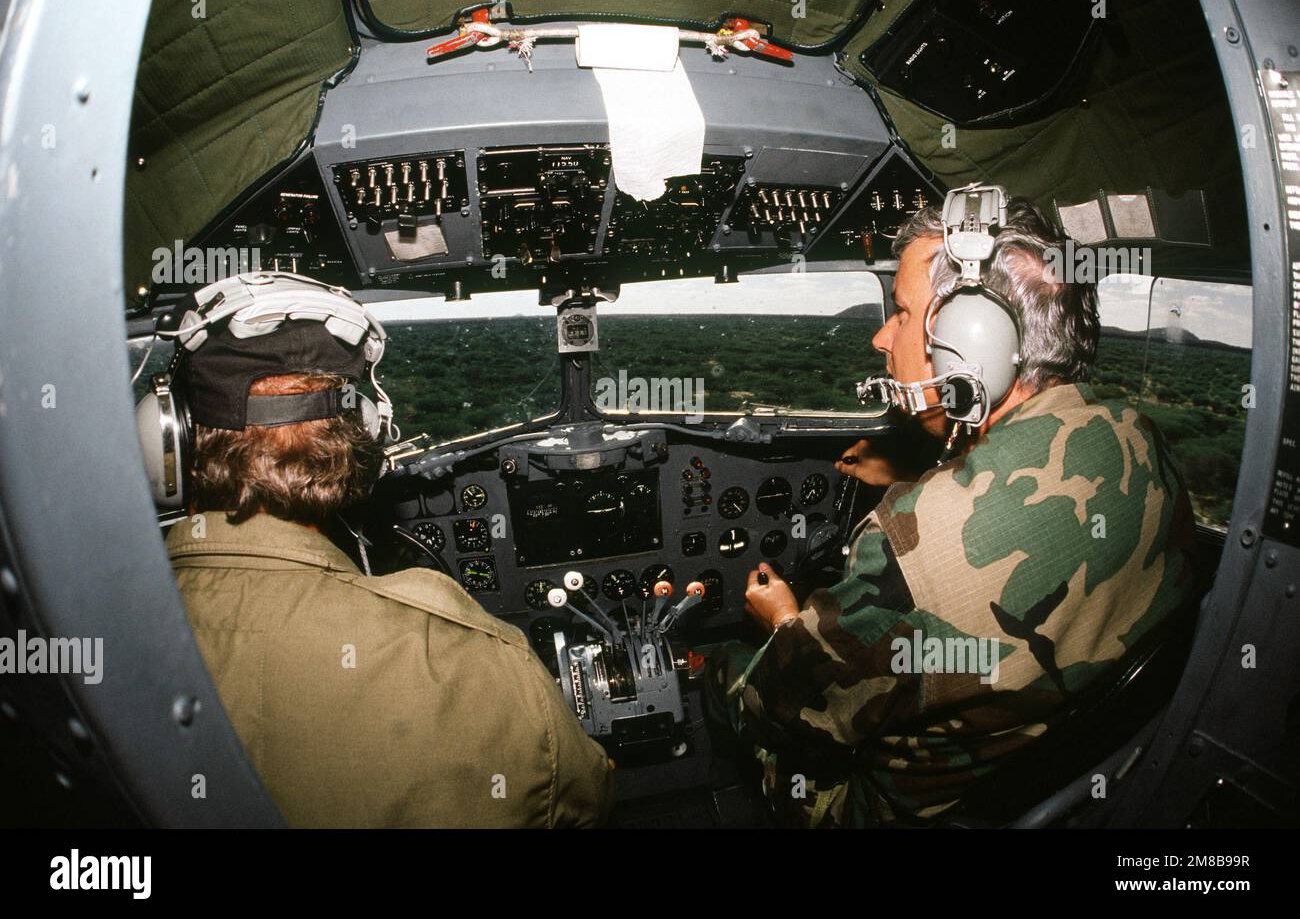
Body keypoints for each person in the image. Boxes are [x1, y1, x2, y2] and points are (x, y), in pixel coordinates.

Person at [707, 197, 1199, 827]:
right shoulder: (1139, 436)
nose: (882, 335)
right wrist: (917, 473)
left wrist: (782, 624)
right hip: (1059, 775)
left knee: (726, 681)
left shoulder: (913, 547)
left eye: (905, 312)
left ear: (976, 342)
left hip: (910, 810)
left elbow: (779, 706)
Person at [161, 282, 613, 827]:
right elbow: (586, 793)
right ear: (365, 440)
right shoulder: (467, 658)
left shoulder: (89, 639)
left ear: (172, 438)